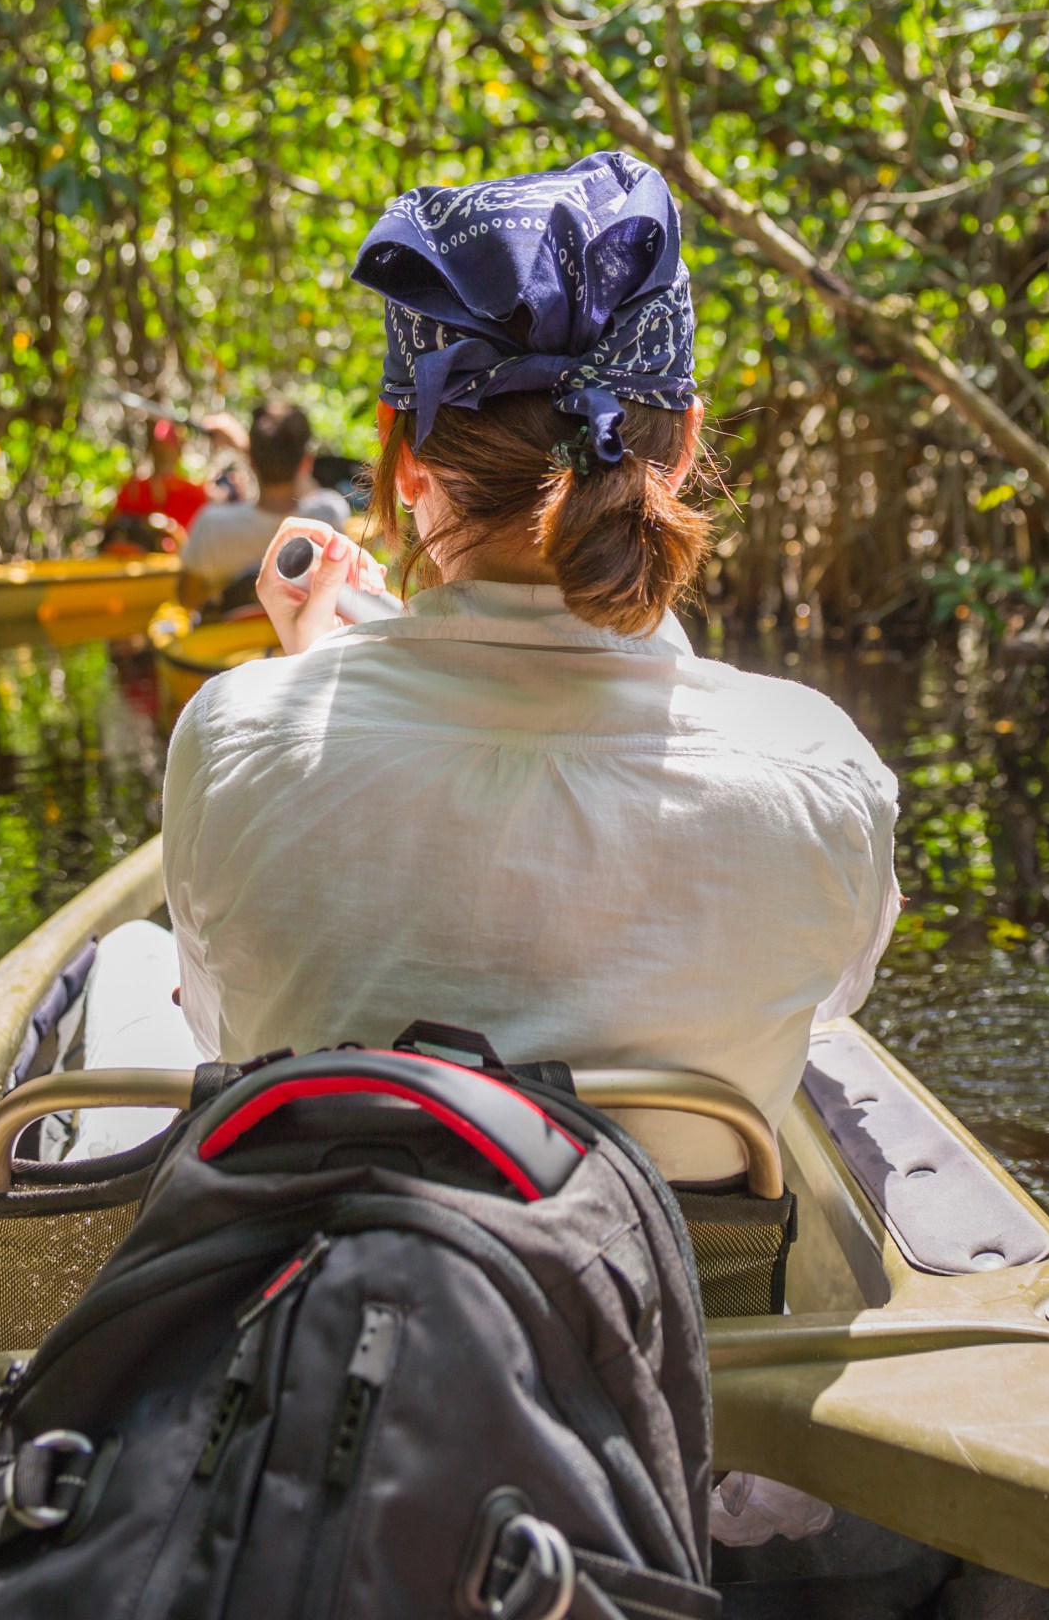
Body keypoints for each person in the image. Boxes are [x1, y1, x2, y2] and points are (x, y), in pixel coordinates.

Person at [152, 151, 902, 1180]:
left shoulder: (234, 732)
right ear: (680, 443)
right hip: (674, 1316)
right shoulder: (817, 761)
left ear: (402, 451)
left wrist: (304, 679)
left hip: (338, 1308)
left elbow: (221, 1025)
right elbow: (821, 1003)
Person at [175, 400, 354, 608]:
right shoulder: (326, 519)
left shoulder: (211, 525)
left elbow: (186, 599)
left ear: (251, 460)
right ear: (306, 461)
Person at [105, 419, 208, 545]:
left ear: (179, 449)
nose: (162, 451)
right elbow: (110, 528)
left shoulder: (196, 493)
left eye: (168, 445)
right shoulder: (133, 490)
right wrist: (141, 522)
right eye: (158, 446)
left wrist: (171, 529)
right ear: (152, 448)